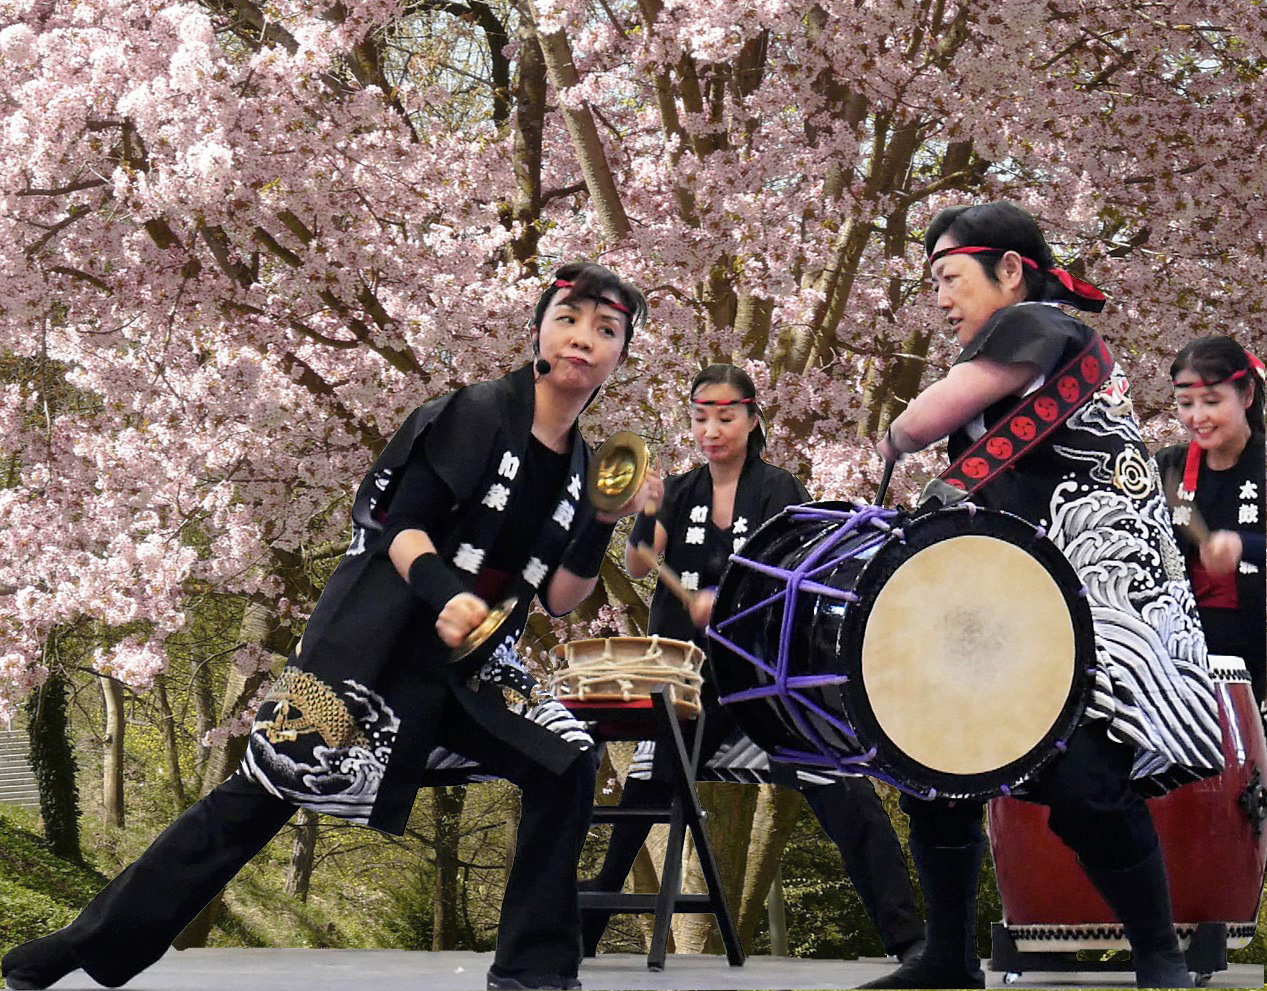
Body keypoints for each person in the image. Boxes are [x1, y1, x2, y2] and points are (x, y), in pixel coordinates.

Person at [1, 262, 662, 991]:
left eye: (606, 330)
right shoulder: (474, 412)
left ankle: (533, 973)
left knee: (563, 759)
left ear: (620, 356)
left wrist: (604, 516)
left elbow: (563, 596)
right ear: (538, 328)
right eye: (568, 318)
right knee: (255, 799)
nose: (582, 339)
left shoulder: (579, 469)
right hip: (369, 655)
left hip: (467, 676)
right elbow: (400, 525)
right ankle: (69, 950)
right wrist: (445, 592)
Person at [861, 203, 1223, 989]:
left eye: (950, 278)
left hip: (1081, 607)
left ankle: (1158, 954)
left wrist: (888, 435)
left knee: (1085, 782)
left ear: (1010, 270)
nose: (943, 299)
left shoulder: (1035, 326)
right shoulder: (1042, 345)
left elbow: (923, 422)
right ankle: (950, 957)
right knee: (935, 764)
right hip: (1021, 604)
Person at [581, 363, 926, 963]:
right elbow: (639, 564)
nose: (711, 428)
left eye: (725, 414)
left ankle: (909, 938)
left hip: (764, 680)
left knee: (841, 784)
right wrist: (647, 509)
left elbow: (798, 577)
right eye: (700, 416)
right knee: (648, 786)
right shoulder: (680, 490)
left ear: (752, 416)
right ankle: (580, 934)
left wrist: (735, 600)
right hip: (687, 678)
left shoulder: (779, 491)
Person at [1155, 336, 1266, 705]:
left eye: (1212, 402)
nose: (1197, 417)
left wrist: (1244, 547)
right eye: (1186, 404)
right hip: (1183, 658)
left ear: (1246, 395)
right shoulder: (1167, 467)